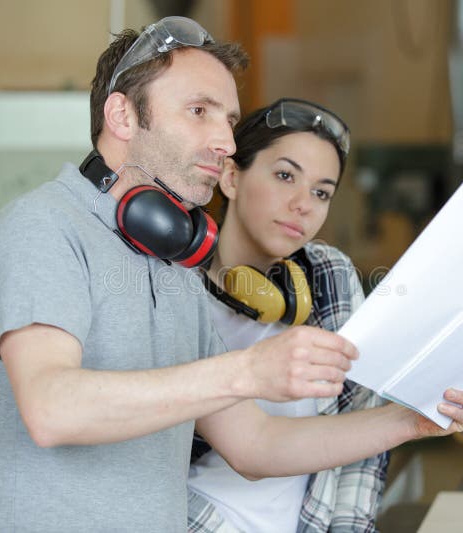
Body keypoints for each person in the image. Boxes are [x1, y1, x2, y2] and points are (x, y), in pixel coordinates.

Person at [0, 16, 463, 532]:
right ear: (122, 116)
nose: (227, 142)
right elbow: (52, 408)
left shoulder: (170, 264)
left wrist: (414, 422)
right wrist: (248, 371)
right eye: (199, 111)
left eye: (230, 120)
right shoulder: (44, 228)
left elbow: (256, 445)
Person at [187, 98, 389, 532]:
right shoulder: (175, 289)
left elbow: (362, 430)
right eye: (284, 176)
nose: (304, 204)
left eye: (321, 192)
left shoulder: (330, 275)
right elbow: (252, 449)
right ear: (231, 176)